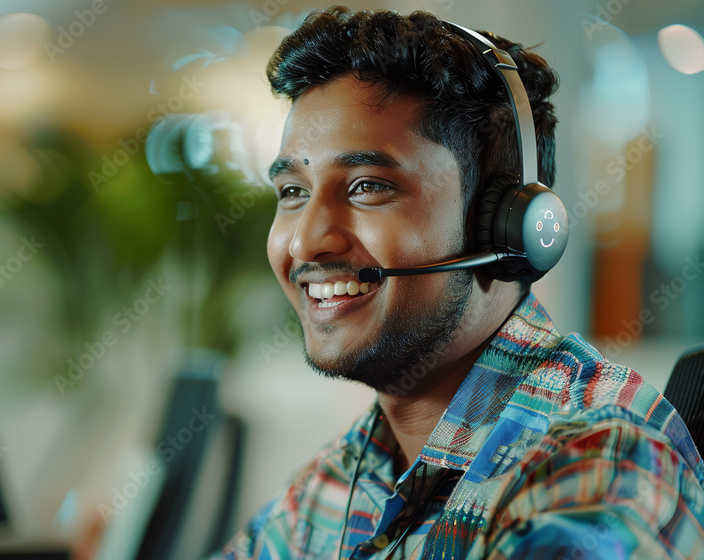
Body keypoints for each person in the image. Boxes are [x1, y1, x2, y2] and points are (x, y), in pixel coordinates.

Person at [210, 7, 704, 559]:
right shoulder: (341, 481)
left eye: (368, 186)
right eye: (293, 192)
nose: (305, 242)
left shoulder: (595, 467)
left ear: (509, 227)